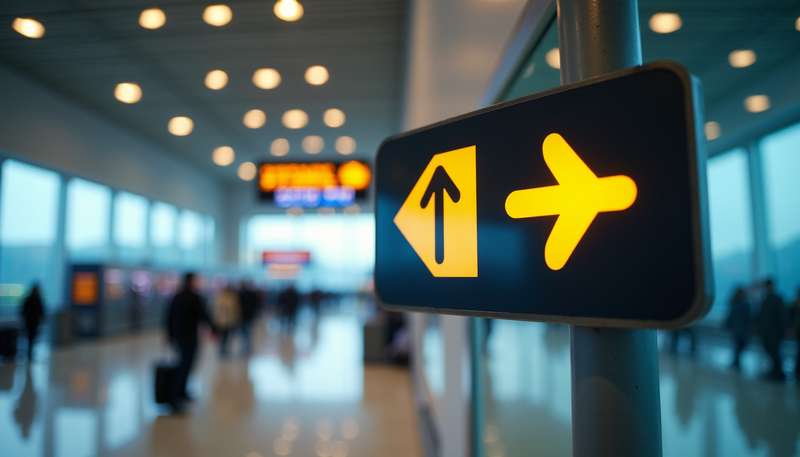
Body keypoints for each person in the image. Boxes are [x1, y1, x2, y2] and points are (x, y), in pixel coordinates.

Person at [164, 272, 215, 413]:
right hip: (189, 336)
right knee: (185, 365)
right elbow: (204, 315)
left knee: (184, 364)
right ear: (191, 281)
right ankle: (174, 398)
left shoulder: (177, 296)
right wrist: (214, 329)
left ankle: (182, 392)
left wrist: (169, 335)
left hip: (179, 336)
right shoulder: (194, 297)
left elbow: (169, 316)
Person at [756, 279, 786, 381]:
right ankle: (776, 371)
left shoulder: (775, 299)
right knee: (771, 352)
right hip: (768, 332)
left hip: (774, 332)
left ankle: (778, 373)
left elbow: (781, 316)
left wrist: (782, 330)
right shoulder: (767, 299)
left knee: (774, 352)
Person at [725, 286, 751, 370]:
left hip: (737, 329)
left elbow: (730, 316)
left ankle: (736, 362)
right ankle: (736, 362)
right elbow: (748, 318)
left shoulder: (735, 303)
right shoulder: (744, 304)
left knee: (737, 346)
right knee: (739, 346)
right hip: (741, 329)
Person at [212, 284, 240, 357]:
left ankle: (224, 349)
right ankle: (222, 349)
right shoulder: (221, 297)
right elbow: (216, 309)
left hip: (228, 320)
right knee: (223, 336)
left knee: (227, 336)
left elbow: (235, 309)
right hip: (222, 320)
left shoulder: (231, 298)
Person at [20, 283, 45, 360]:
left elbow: (22, 310)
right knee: (32, 338)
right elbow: (42, 312)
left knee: (30, 338)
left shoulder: (28, 298)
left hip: (29, 322)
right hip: (34, 322)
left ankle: (29, 353)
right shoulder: (38, 299)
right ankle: (30, 353)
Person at [238, 280, 261, 356]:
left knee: (244, 332)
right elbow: (256, 305)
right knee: (247, 331)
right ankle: (247, 346)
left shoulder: (239, 294)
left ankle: (245, 346)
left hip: (242, 316)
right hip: (248, 316)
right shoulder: (251, 294)